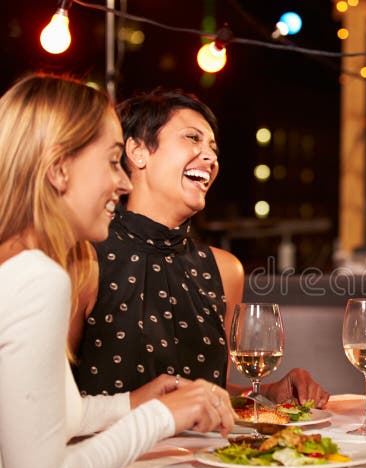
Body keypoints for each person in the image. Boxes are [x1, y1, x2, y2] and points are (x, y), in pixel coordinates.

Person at [0, 74, 235, 468]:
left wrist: (133, 402)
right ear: (58, 169)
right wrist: (158, 416)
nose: (121, 181)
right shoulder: (42, 276)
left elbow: (47, 412)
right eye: (112, 161)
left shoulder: (18, 264)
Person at [68, 88, 329, 407]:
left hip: (205, 457)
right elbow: (48, 404)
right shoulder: (84, 257)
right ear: (137, 152)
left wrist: (264, 393)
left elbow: (208, 393)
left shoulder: (225, 270)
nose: (210, 157)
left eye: (213, 148)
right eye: (192, 138)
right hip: (116, 456)